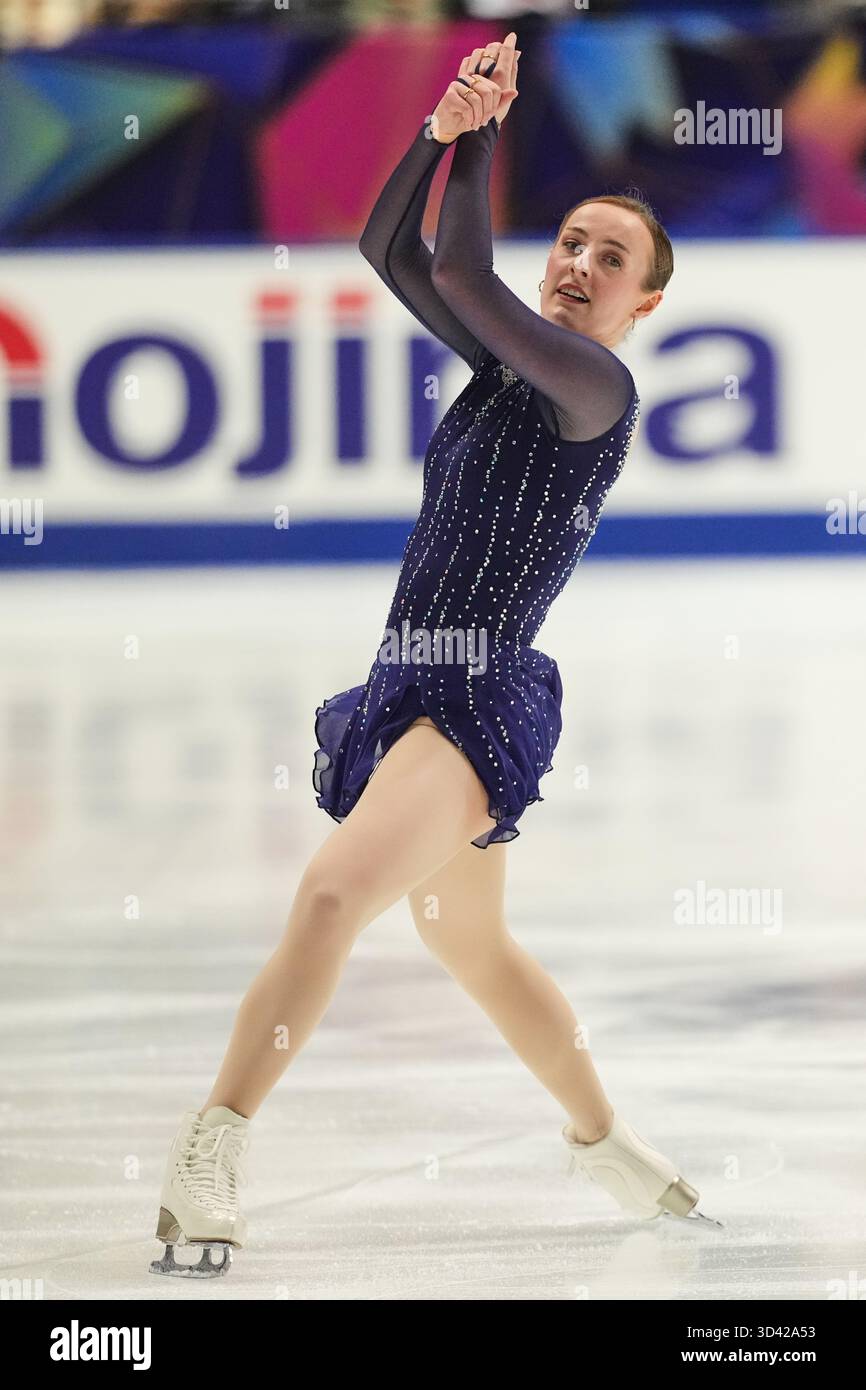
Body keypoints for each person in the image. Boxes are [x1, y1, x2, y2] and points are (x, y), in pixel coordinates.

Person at [150, 32, 719, 1280]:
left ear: (642, 304)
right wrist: (440, 130)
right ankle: (602, 1139)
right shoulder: (505, 374)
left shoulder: (592, 394)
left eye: (607, 259)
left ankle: (209, 1151)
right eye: (569, 242)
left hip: (468, 699)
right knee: (473, 948)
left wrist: (481, 121)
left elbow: (461, 260)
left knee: (332, 896)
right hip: (404, 675)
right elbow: (391, 253)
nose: (576, 264)